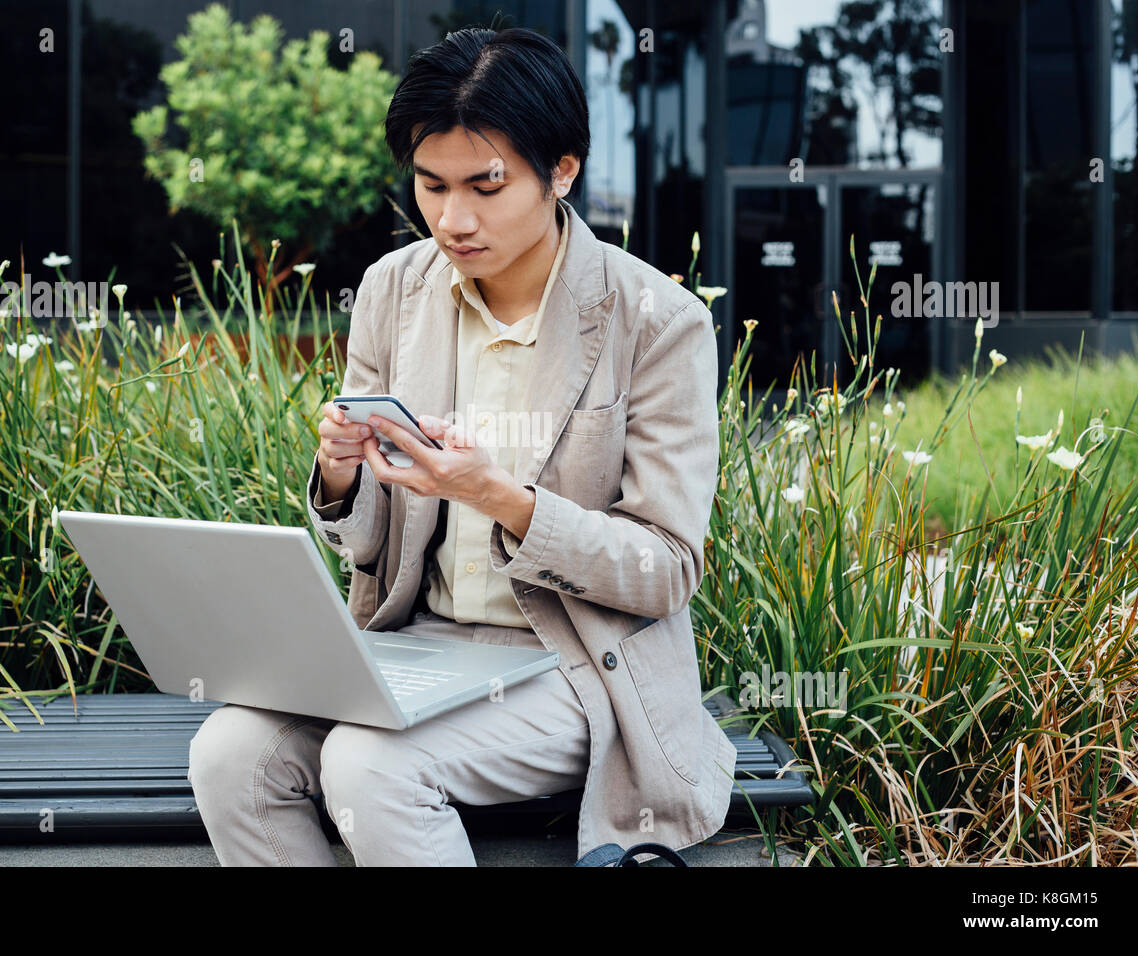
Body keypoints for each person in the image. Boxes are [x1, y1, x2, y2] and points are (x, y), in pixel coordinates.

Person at [187, 24, 737, 867]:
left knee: (372, 765)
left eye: (486, 185)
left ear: (563, 170)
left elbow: (665, 567)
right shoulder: (392, 291)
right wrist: (340, 474)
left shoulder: (656, 321)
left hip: (578, 666)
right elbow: (368, 548)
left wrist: (498, 498)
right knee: (229, 756)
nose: (452, 218)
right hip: (414, 646)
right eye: (431, 186)